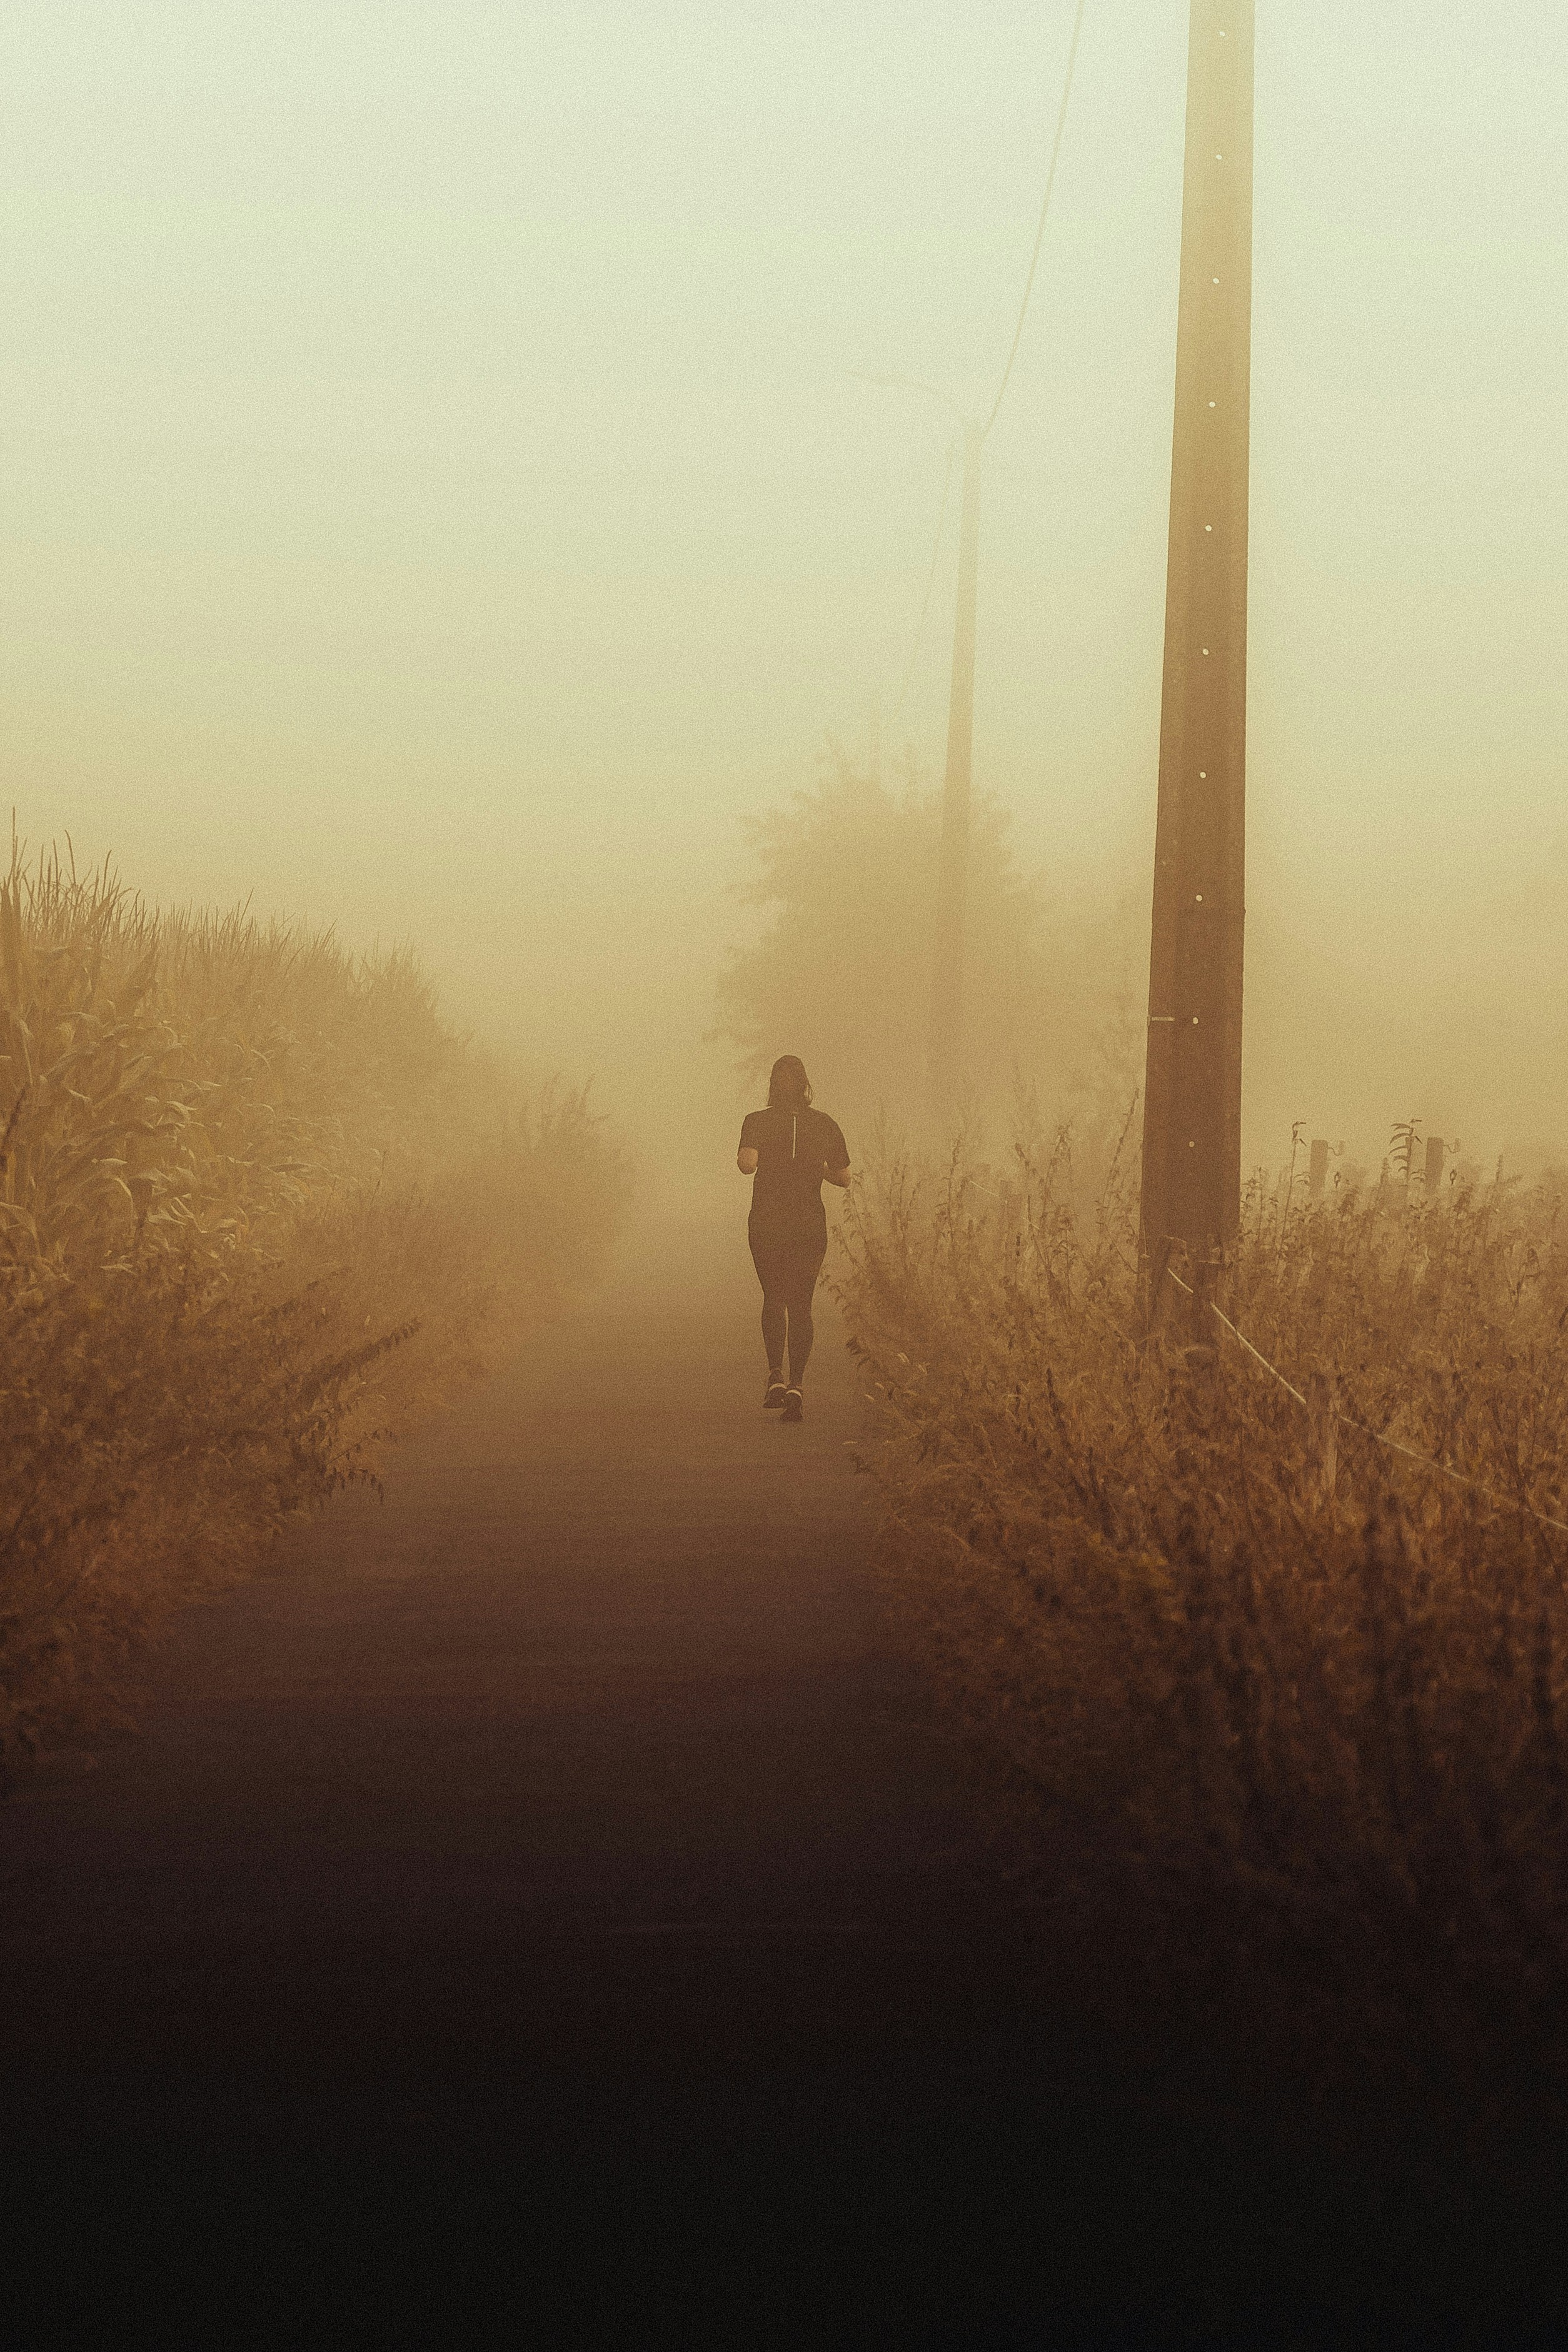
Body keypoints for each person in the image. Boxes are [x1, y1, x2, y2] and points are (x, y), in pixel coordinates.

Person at [736, 1055, 850, 1424]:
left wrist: (767, 1152)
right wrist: (817, 1167)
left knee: (774, 1297)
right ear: (805, 1084)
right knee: (801, 1303)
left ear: (773, 1084)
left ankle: (775, 1377)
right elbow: (845, 1178)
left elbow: (746, 1165)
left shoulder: (757, 1122)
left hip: (768, 1222)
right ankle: (798, 1385)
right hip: (808, 1225)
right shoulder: (826, 1125)